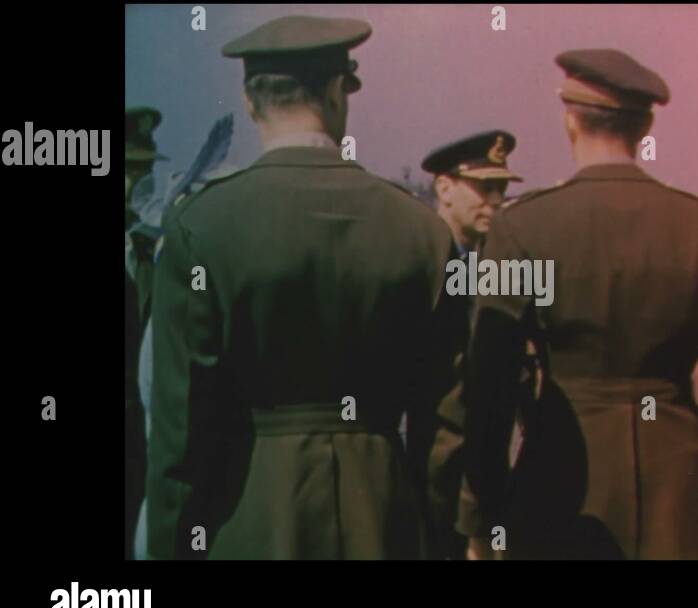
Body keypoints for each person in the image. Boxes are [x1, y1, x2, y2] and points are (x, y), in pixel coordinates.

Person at [146, 15, 452, 559]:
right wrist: (440, 536)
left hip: (248, 519)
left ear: (248, 101)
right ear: (338, 92)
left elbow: (182, 434)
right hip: (385, 520)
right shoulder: (422, 231)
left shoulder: (202, 226)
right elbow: (446, 423)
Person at [461, 49, 698, 559]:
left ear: (570, 122)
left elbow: (490, 383)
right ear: (646, 125)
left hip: (558, 487)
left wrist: (480, 516)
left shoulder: (524, 227)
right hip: (682, 497)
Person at [417, 131, 522, 559]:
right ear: (444, 188)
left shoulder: (488, 266)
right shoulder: (418, 260)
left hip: (475, 470)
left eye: (501, 189)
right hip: (424, 465)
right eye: (484, 188)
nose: (496, 200)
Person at [124, 105, 167, 560]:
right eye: (129, 168)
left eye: (145, 168)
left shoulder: (155, 245)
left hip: (147, 436)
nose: (139, 181)